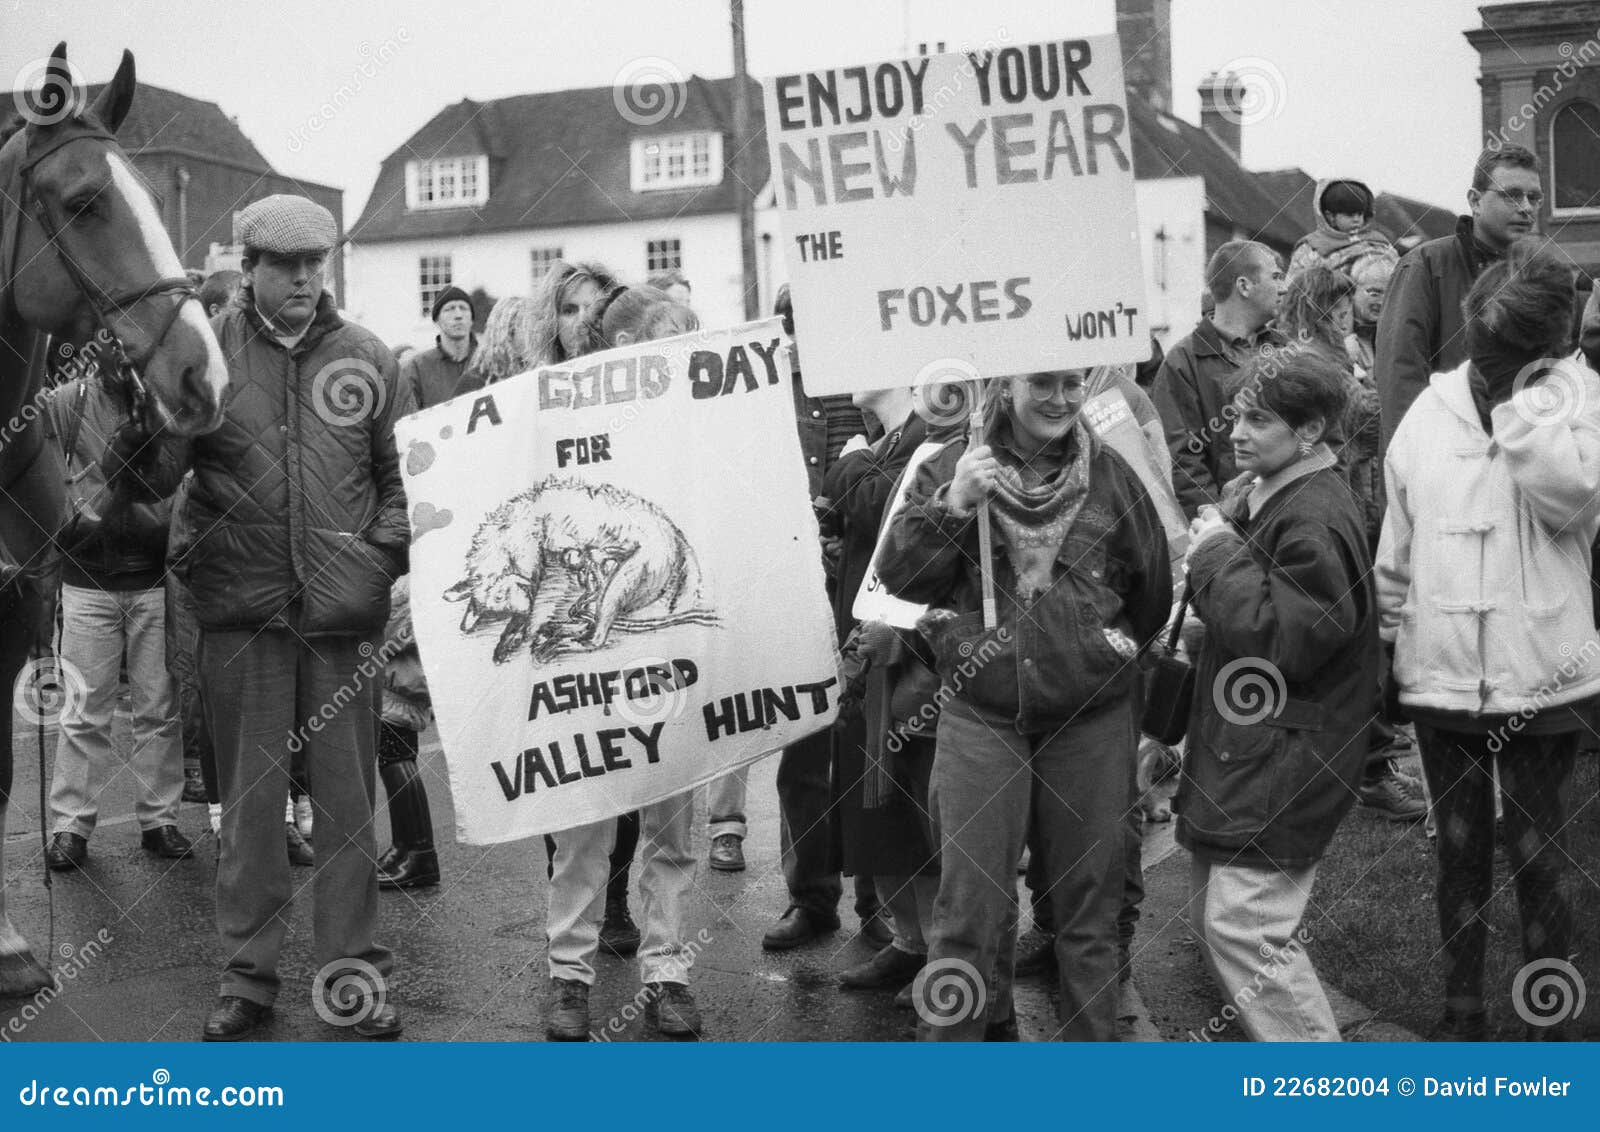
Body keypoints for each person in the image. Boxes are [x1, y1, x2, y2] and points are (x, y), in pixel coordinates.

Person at [120, 195, 409, 1041]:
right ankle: (247, 980)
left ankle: (353, 977)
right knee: (250, 811)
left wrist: (374, 562)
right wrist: (141, 414)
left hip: (338, 621)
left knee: (349, 809)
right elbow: (152, 477)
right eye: (286, 266)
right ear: (247, 269)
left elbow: (403, 484)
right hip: (241, 615)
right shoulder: (207, 353)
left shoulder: (366, 357)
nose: (305, 279)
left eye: (316, 263)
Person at [879, 371, 1171, 1042]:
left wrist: (1103, 650)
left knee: (1088, 917)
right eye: (1043, 382)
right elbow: (898, 576)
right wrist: (953, 506)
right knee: (968, 917)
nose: (1061, 399)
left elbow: (1151, 591)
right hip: (982, 719)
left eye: (1072, 384)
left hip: (1091, 720)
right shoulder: (953, 465)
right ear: (1005, 384)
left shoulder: (1112, 474)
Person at [1377, 242, 1599, 1040]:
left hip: (1540, 675)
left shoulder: (1579, 401)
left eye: (1508, 354)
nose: (1486, 366)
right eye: (1482, 348)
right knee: (1459, 857)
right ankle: (1459, 1017)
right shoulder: (1426, 414)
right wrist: (1390, 647)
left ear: (1547, 349)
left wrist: (1522, 407)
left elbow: (1576, 504)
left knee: (1542, 860)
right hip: (1442, 677)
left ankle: (1551, 1032)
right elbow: (1395, 550)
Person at [1177, 348, 1376, 1042]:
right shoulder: (1278, 496)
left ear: (1312, 431)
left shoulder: (1312, 515)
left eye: (1258, 420)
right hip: (1256, 754)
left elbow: (1289, 638)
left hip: (1287, 758)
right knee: (1219, 918)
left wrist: (1214, 557)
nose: (1235, 432)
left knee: (1246, 928)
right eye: (1235, 415)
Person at [542, 284, 705, 1041]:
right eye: (669, 343)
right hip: (595, 655)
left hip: (675, 657)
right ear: (621, 353)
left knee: (672, 823)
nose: (686, 356)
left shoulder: (707, 427)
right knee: (584, 820)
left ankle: (666, 969)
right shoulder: (565, 423)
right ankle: (569, 977)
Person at [759, 284, 888, 950]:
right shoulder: (763, 389)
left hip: (858, 582)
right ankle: (811, 897)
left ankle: (876, 899)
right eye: (789, 322)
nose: (797, 334)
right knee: (803, 750)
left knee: (866, 744)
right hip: (791, 584)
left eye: (807, 319)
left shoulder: (861, 385)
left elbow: (872, 486)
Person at [826, 383, 959, 998]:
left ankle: (941, 950)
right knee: (876, 803)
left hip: (919, 651)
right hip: (870, 641)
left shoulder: (934, 432)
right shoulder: (885, 440)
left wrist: (851, 460)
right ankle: (908, 939)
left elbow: (886, 511)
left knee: (916, 805)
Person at [1277, 268, 1424, 821]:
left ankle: (1357, 765)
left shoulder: (1331, 352)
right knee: (1355, 643)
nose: (1349, 313)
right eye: (1340, 304)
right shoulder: (1313, 359)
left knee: (1351, 641)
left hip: (1351, 504)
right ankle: (1371, 770)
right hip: (1340, 508)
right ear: (1323, 307)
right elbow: (1359, 426)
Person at [40, 367, 192, 871]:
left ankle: (160, 818)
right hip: (85, 577)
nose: (118, 347)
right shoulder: (66, 401)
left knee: (158, 707)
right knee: (83, 711)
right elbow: (42, 471)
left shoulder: (164, 398)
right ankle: (70, 825)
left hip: (154, 577)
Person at [1376, 144, 1541, 451]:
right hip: (1444, 458)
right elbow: (1400, 375)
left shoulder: (1538, 277)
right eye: (1511, 195)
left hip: (1517, 456)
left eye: (1534, 197)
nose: (1526, 207)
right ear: (1475, 201)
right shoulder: (1425, 265)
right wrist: (1421, 462)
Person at [1154, 241, 1286, 520]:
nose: (1284, 287)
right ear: (1244, 286)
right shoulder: (1184, 361)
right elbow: (1183, 461)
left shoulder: (1286, 351)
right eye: (1275, 277)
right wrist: (1219, 526)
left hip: (1285, 517)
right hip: (1229, 531)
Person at [374, 576, 438, 889]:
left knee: (396, 757)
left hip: (399, 681)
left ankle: (419, 853)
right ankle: (404, 848)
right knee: (393, 757)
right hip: (395, 678)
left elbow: (387, 630)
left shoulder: (405, 577)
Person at [1287, 178, 1395, 280]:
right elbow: (1294, 289)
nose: (1356, 219)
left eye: (1360, 213)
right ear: (1330, 216)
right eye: (1350, 214)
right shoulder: (1310, 248)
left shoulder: (1380, 244)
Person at [403, 284, 481, 408]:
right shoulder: (417, 368)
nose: (458, 315)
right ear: (436, 320)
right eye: (449, 309)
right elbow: (407, 418)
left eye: (464, 308)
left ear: (472, 318)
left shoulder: (488, 360)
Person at [1345, 253, 1394, 379]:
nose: (1382, 302)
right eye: (1374, 293)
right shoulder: (1335, 334)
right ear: (1353, 290)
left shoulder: (1397, 334)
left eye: (1389, 294)